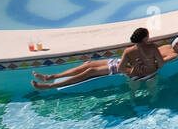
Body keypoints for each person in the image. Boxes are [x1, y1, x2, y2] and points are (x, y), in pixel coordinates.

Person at [31, 27, 164, 90]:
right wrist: (148, 68)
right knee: (89, 64)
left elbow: (121, 68)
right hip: (126, 66)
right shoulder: (152, 47)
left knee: (90, 71)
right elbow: (161, 63)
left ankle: (50, 85)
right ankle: (50, 77)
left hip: (125, 68)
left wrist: (133, 72)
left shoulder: (129, 50)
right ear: (145, 38)